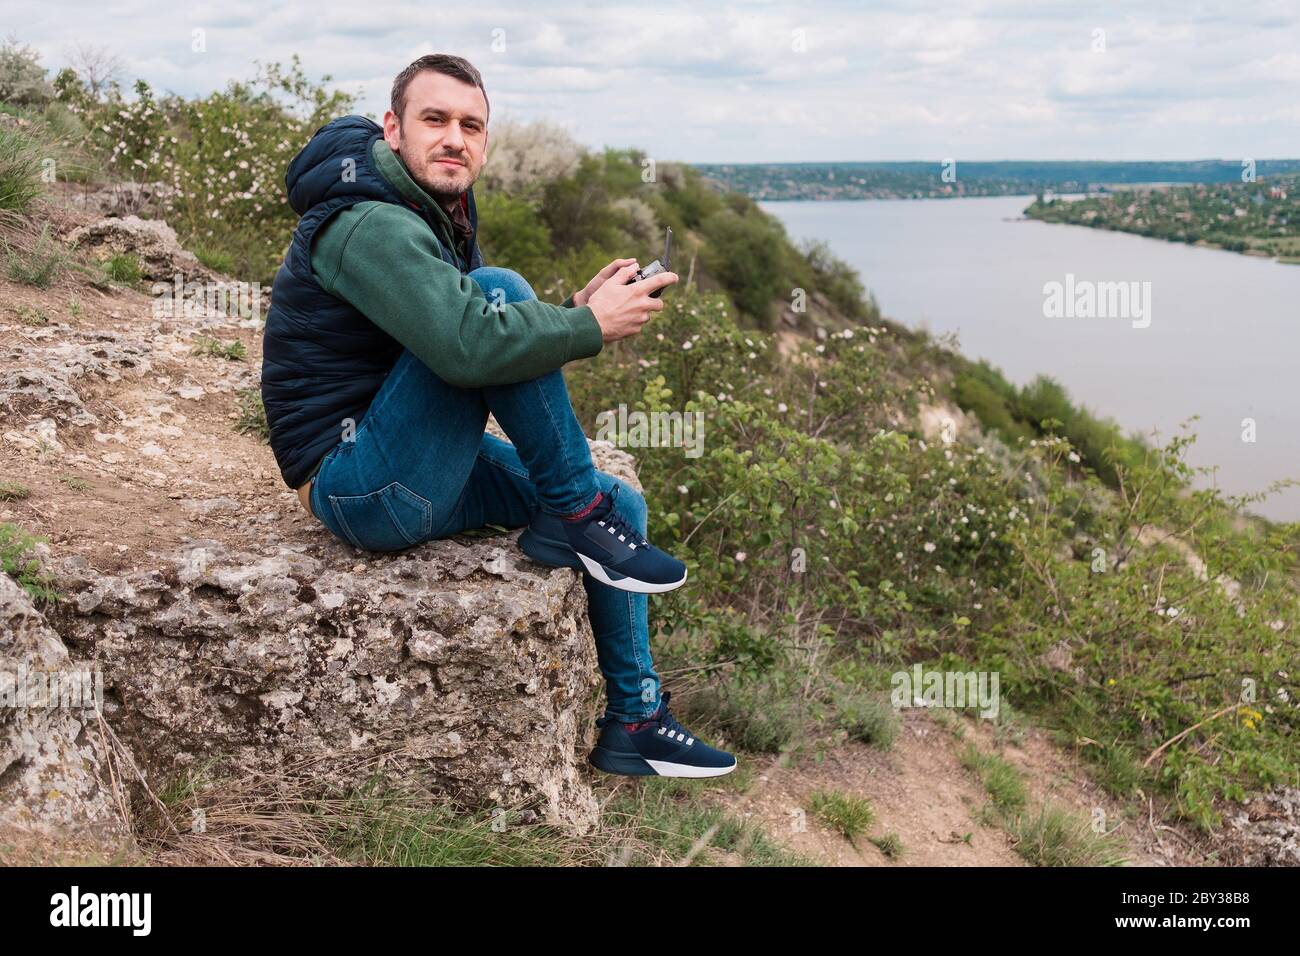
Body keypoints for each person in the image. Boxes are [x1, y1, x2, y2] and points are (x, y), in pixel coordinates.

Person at [260, 53, 736, 778]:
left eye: (471, 125)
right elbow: (468, 346)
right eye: (435, 120)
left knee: (622, 502)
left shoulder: (436, 208)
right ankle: (572, 516)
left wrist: (572, 315)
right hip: (358, 482)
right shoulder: (366, 222)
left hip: (410, 453)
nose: (455, 137)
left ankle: (635, 722)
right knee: (500, 290)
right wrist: (587, 329)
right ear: (393, 129)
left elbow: (463, 334)